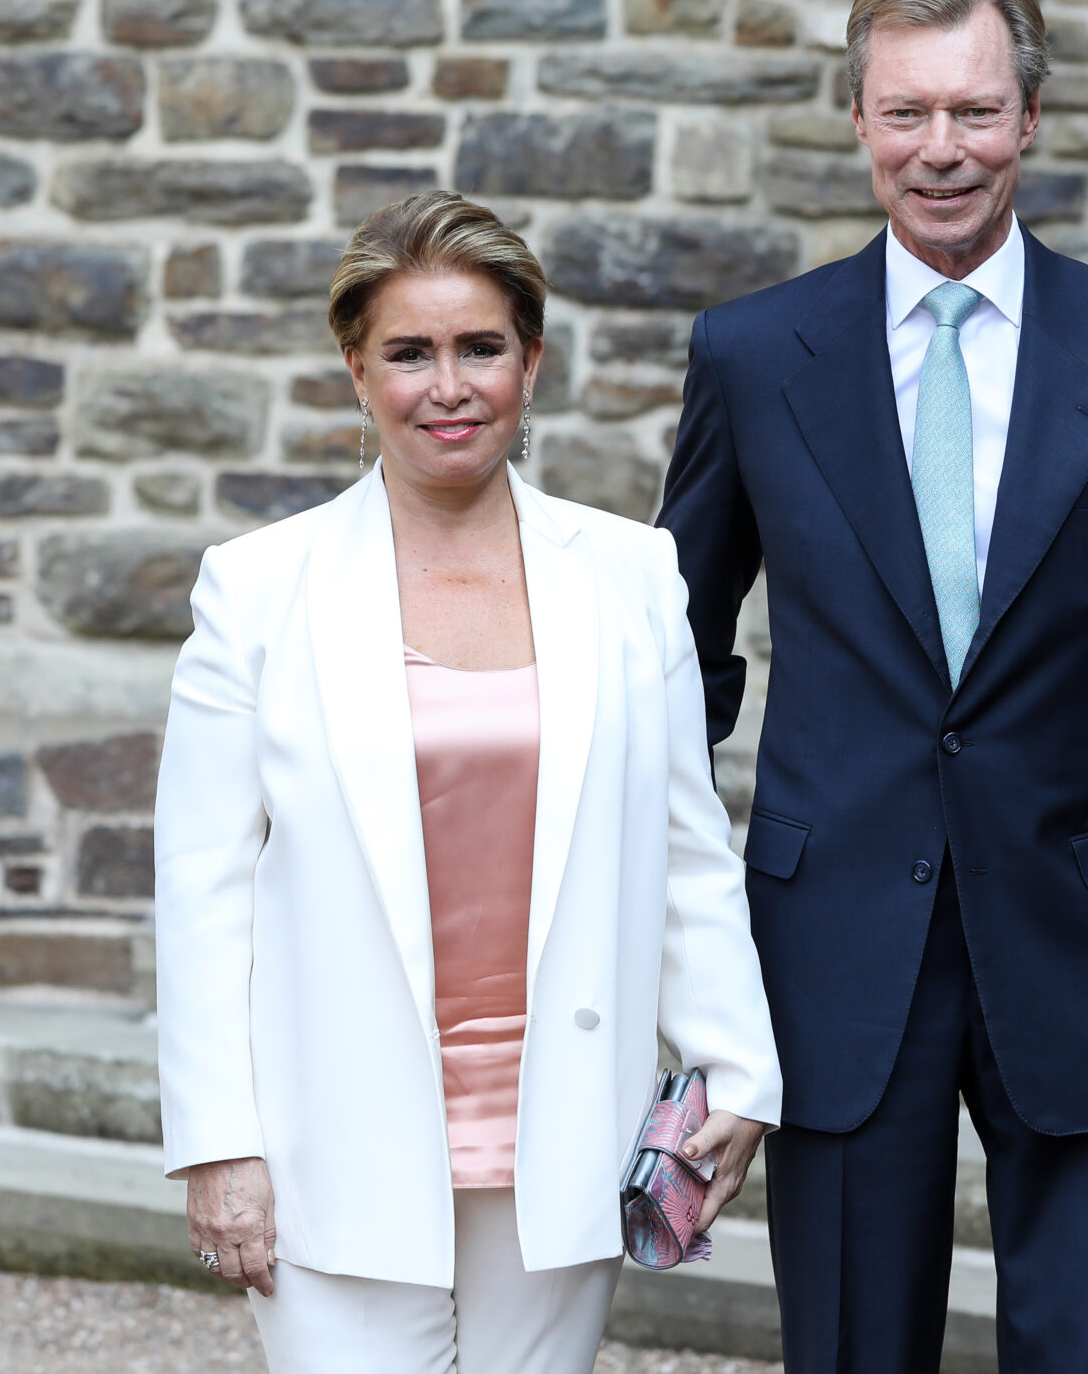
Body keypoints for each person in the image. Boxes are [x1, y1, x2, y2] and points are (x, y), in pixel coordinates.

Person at [657, 0, 1088, 1373]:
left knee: (1083, 1340)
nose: (944, 151)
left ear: (1032, 119)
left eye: (976, 113)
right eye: (908, 113)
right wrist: (681, 928)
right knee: (855, 1342)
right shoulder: (753, 355)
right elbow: (671, 650)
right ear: (859, 119)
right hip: (834, 938)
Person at [153, 190, 781, 1374]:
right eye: (410, 352)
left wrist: (736, 1063)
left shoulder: (634, 574)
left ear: (530, 361)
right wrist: (217, 1145)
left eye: (480, 348)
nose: (449, 385)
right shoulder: (256, 590)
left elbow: (683, 844)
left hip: (564, 1128)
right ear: (356, 371)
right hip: (330, 1133)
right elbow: (202, 891)